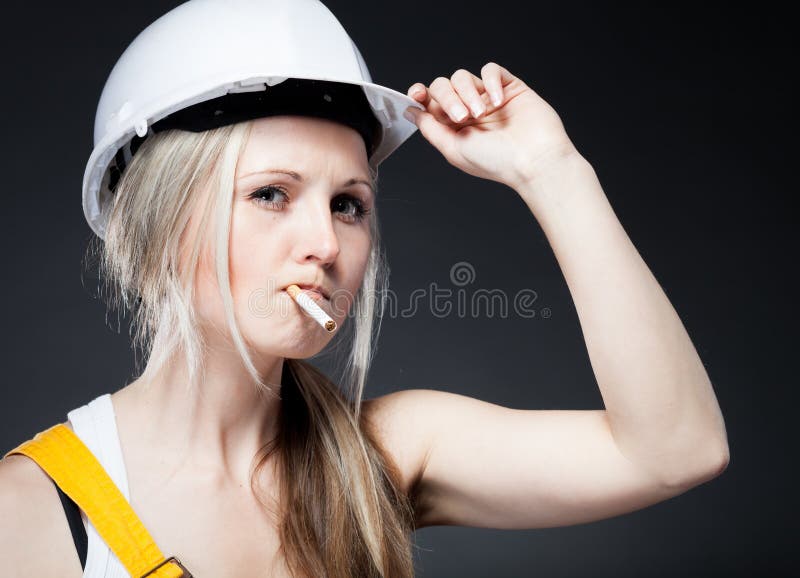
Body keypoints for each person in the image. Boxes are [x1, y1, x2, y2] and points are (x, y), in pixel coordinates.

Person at [0, 1, 730, 577]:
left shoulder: (382, 457)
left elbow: (679, 450)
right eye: (270, 194)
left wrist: (553, 171)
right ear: (151, 221)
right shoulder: (29, 511)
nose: (326, 244)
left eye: (348, 204)